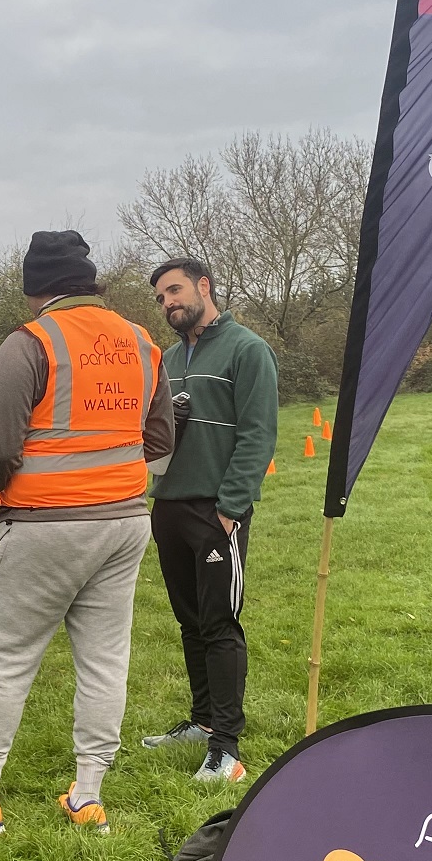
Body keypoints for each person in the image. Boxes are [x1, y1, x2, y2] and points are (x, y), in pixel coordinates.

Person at [0, 230, 173, 835]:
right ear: (92, 284)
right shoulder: (142, 341)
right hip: (124, 524)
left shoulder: (29, 342)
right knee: (105, 662)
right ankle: (87, 796)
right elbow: (162, 441)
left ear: (35, 289)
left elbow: (0, 445)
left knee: (7, 659)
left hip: (43, 525)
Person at [140, 258, 278, 783]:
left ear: (204, 286)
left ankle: (227, 748)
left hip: (218, 510)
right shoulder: (167, 359)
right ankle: (201, 722)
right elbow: (154, 436)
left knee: (219, 623)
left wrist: (230, 506)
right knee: (189, 620)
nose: (168, 302)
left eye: (174, 290)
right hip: (169, 505)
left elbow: (259, 433)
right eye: (160, 298)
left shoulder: (248, 349)